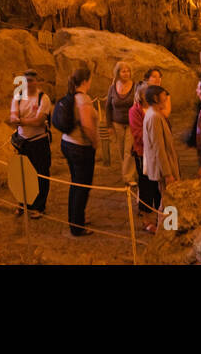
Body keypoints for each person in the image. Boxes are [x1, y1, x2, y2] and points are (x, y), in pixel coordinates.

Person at [7, 70, 53, 218]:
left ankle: (39, 206)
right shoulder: (18, 97)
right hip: (23, 142)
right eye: (26, 80)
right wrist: (27, 121)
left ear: (37, 81)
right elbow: (12, 116)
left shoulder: (43, 98)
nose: (29, 83)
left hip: (38, 141)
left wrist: (21, 120)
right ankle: (22, 203)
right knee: (22, 174)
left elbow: (39, 121)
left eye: (32, 80)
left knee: (41, 174)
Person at [60, 67, 99, 237]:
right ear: (85, 81)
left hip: (67, 142)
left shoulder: (71, 96)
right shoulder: (83, 99)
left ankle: (76, 218)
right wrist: (94, 142)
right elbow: (86, 124)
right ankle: (77, 226)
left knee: (76, 183)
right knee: (82, 186)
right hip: (80, 147)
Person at [141, 85, 179, 234]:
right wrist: (168, 173)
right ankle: (167, 232)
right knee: (167, 201)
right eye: (164, 96)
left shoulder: (154, 114)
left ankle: (169, 229)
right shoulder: (154, 117)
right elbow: (158, 148)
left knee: (167, 199)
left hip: (164, 166)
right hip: (164, 168)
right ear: (156, 99)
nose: (166, 99)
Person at [105, 61, 137, 185]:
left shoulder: (135, 87)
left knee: (129, 150)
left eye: (128, 71)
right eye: (123, 71)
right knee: (121, 150)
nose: (126, 73)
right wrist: (109, 125)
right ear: (118, 73)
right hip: (117, 123)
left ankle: (128, 178)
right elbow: (108, 106)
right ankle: (127, 172)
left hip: (131, 123)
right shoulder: (113, 87)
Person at [128, 82, 152, 215]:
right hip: (142, 152)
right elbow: (137, 133)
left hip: (155, 152)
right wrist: (154, 138)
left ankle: (156, 212)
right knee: (145, 184)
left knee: (155, 185)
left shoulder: (155, 108)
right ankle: (145, 214)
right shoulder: (134, 111)